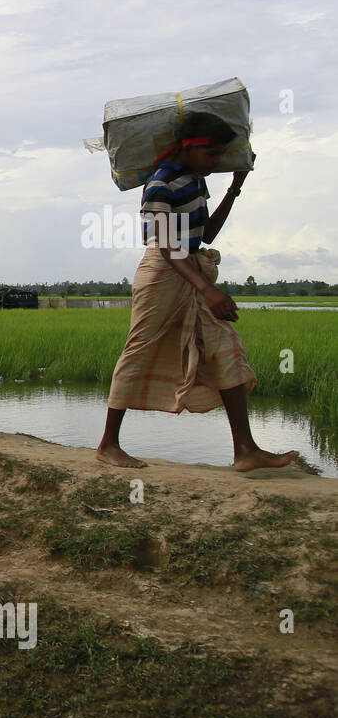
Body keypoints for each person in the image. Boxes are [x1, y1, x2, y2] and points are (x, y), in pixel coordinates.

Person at [97, 113, 298, 472]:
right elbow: (167, 246)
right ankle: (108, 444)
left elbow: (206, 234)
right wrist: (208, 289)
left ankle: (245, 450)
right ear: (190, 146)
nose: (217, 162)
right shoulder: (160, 183)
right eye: (214, 154)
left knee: (226, 347)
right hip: (163, 275)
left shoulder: (193, 180)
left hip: (190, 270)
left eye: (222, 155)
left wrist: (235, 188)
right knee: (138, 349)